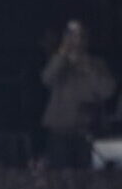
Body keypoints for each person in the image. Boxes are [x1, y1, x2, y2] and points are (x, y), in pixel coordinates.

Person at [41, 20, 113, 168]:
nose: (76, 40)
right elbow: (47, 79)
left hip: (88, 132)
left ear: (86, 39)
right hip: (60, 133)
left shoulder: (97, 63)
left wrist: (88, 68)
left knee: (89, 180)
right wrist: (62, 54)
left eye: (80, 36)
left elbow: (107, 91)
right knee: (59, 178)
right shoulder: (58, 61)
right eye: (71, 36)